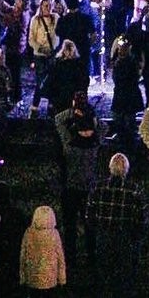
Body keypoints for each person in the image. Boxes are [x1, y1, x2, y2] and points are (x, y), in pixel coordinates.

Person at [86, 153, 145, 298]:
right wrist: (136, 237)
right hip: (125, 238)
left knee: (104, 274)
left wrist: (97, 230)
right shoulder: (134, 189)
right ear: (127, 170)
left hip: (104, 236)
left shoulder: (97, 188)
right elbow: (142, 219)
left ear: (109, 168)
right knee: (125, 277)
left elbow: (89, 216)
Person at [54, 90, 99, 262]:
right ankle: (91, 253)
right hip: (89, 186)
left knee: (70, 222)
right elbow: (103, 126)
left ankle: (71, 254)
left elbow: (58, 120)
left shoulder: (70, 143)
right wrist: (89, 112)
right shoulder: (95, 142)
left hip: (71, 187)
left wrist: (73, 111)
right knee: (89, 223)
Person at [19, 205, 66, 298]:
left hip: (33, 275)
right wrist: (62, 278)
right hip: (49, 277)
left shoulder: (29, 232)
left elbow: (23, 255)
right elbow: (60, 257)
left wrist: (22, 275)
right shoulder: (54, 234)